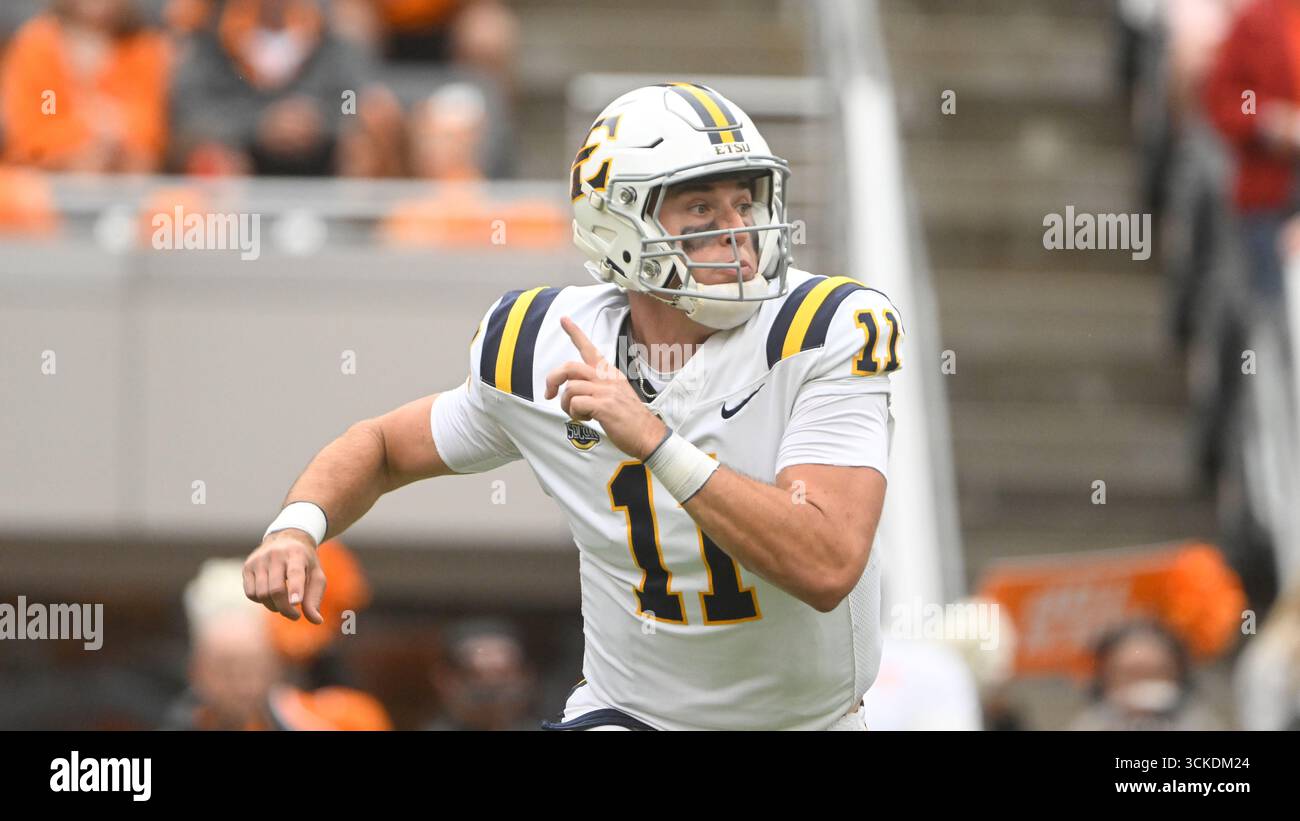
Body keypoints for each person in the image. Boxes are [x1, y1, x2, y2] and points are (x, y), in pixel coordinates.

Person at [243, 83, 905, 730]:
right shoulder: (541, 345)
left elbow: (826, 562)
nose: (738, 232)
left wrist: (654, 440)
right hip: (633, 713)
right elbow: (383, 448)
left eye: (744, 201)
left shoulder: (824, 329)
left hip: (805, 720)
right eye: (701, 210)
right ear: (617, 225)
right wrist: (296, 527)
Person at [1070, 620, 1225, 731]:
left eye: (1156, 673)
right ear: (1106, 677)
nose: (1143, 686)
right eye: (1130, 674)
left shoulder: (1200, 722)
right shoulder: (1090, 724)